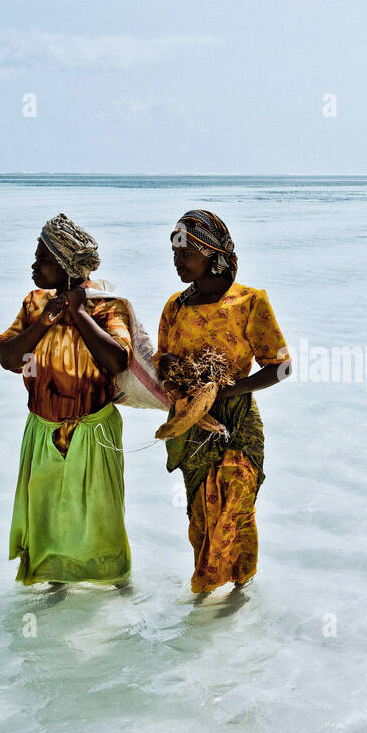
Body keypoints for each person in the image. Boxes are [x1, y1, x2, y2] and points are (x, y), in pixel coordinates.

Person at [156, 210, 291, 596]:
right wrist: (175, 372)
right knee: (202, 515)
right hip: (191, 425)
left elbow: (280, 368)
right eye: (174, 253)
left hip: (237, 420)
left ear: (211, 253)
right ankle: (209, 598)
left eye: (185, 253)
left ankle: (239, 587)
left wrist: (223, 390)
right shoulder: (175, 307)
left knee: (236, 499)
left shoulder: (249, 302)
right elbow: (162, 359)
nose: (177, 261)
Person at [0, 214, 133, 586]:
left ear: (67, 266)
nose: (33, 266)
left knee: (100, 520)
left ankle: (115, 594)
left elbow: (117, 360)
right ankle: (54, 592)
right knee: (46, 519)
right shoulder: (35, 304)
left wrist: (80, 313)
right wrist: (44, 323)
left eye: (42, 259)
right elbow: (7, 358)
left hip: (93, 432)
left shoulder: (107, 307)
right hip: (42, 430)